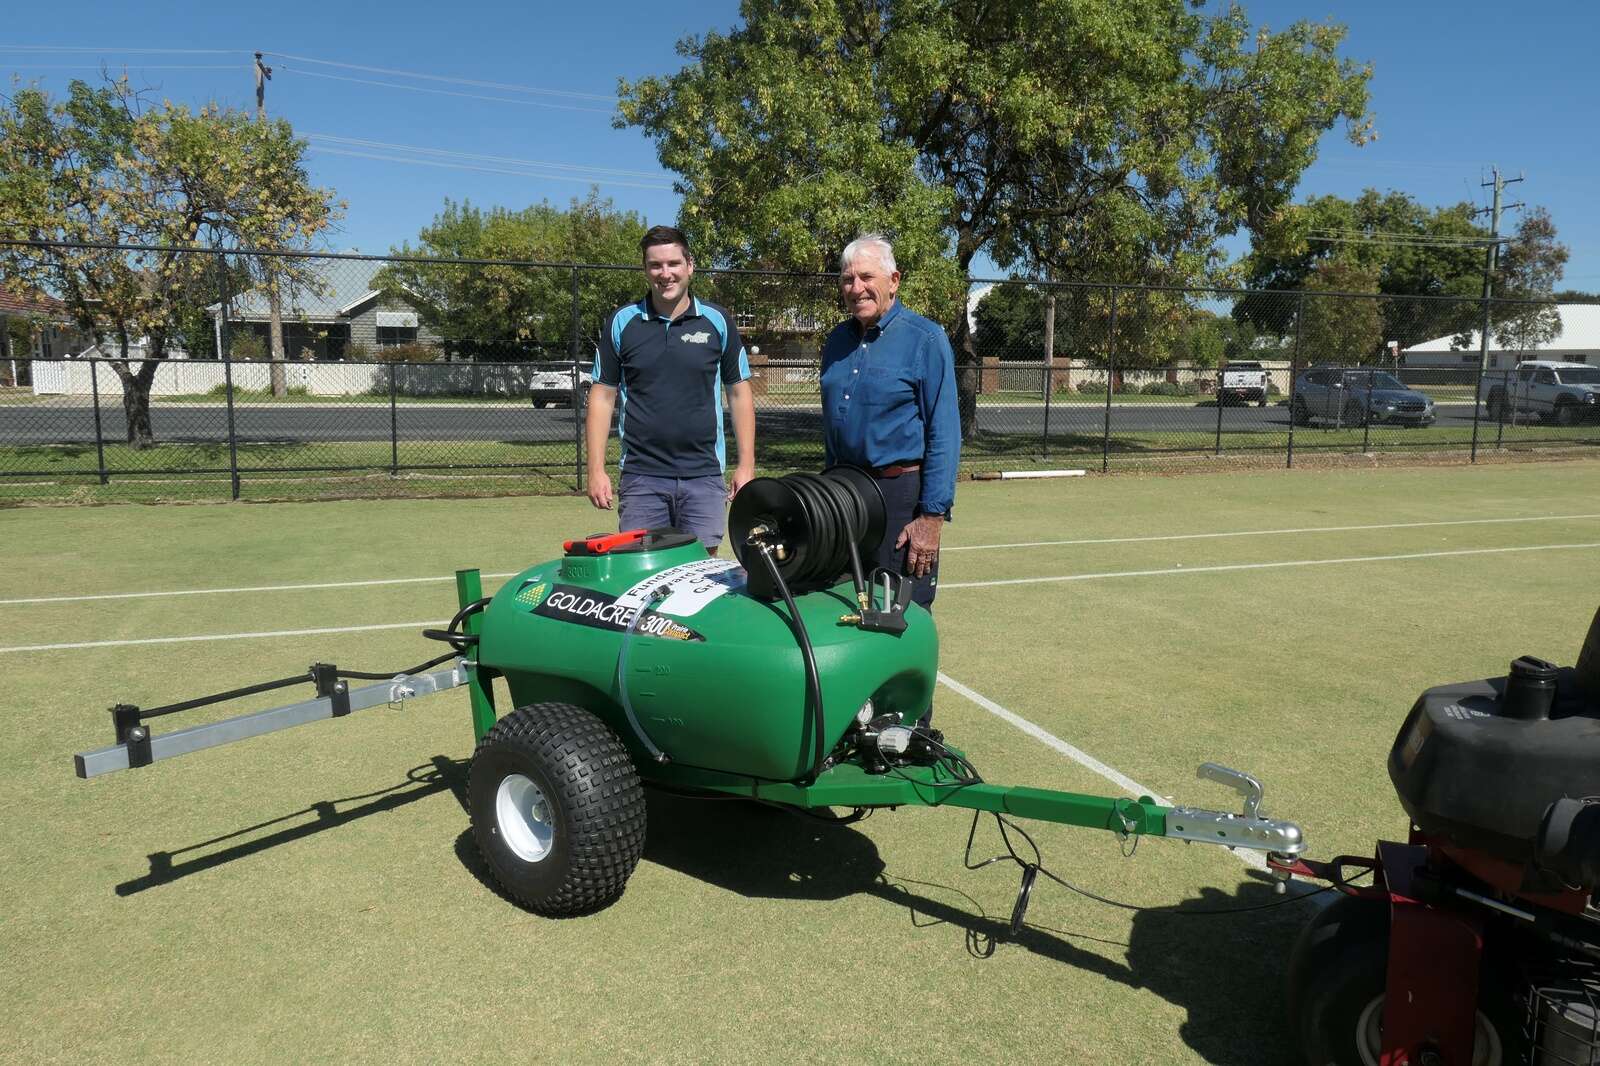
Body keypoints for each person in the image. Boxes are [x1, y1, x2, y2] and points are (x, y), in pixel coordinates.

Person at [586, 226, 756, 555]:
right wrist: (596, 469)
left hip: (703, 476)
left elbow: (739, 393)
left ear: (689, 265)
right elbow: (602, 396)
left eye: (673, 264)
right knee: (642, 580)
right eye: (655, 265)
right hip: (641, 478)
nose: (666, 274)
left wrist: (746, 465)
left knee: (702, 582)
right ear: (645, 270)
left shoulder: (717, 322)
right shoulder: (622, 322)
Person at [820, 233, 960, 611]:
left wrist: (931, 519)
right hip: (843, 496)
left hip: (899, 497)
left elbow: (944, 433)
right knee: (842, 606)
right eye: (848, 279)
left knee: (903, 613)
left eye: (867, 277)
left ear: (893, 281)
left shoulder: (926, 339)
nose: (857, 288)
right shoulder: (836, 341)